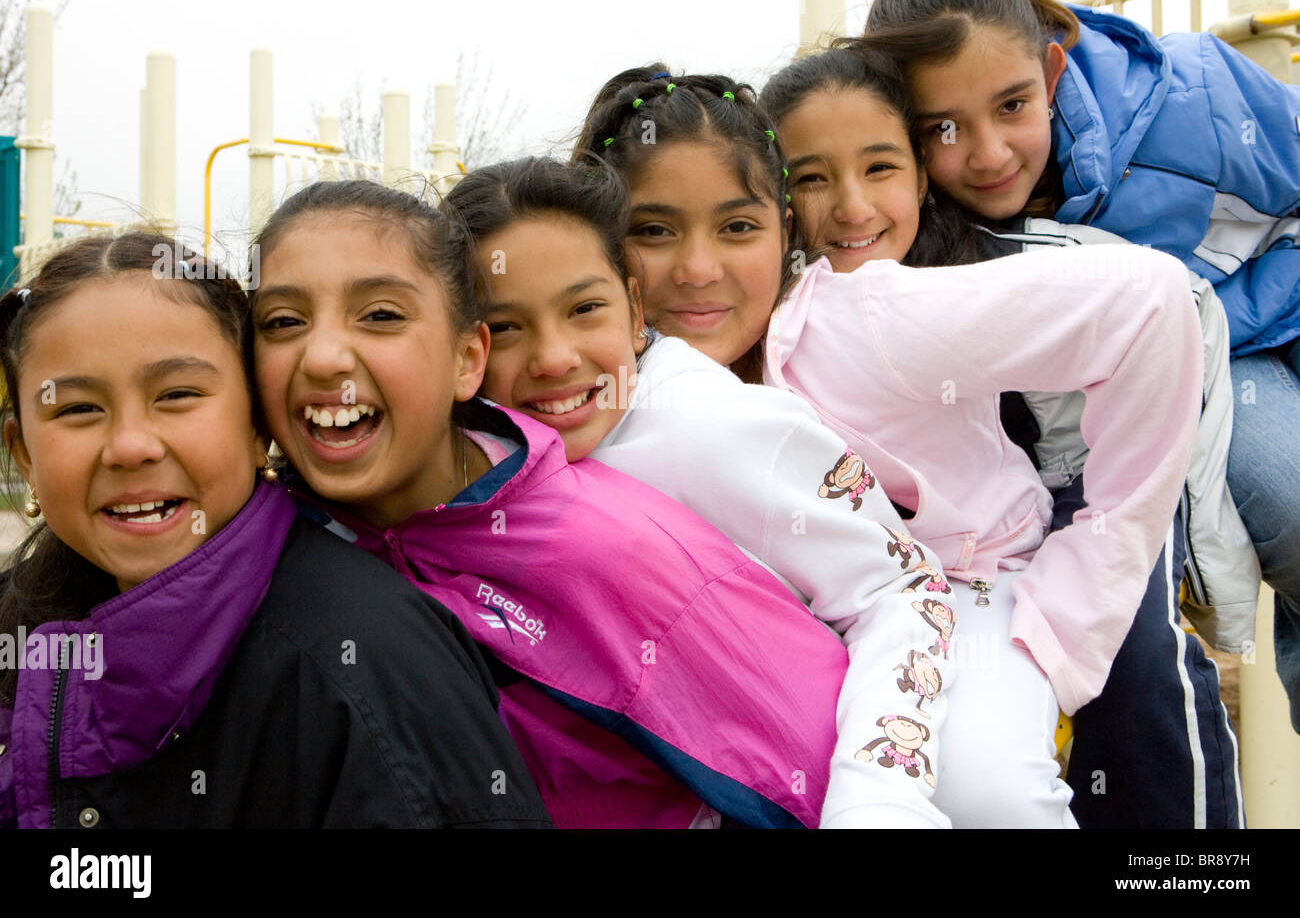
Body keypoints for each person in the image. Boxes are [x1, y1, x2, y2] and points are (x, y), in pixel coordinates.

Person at [577, 65, 1202, 827]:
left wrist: (1076, 604)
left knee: (985, 794)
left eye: (737, 227)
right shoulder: (603, 393)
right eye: (653, 230)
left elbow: (1151, 303)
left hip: (962, 587)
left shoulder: (858, 321)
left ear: (785, 230)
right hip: (805, 630)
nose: (698, 269)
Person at [250, 178, 849, 829]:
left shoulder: (612, 547)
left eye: (381, 315)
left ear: (466, 357)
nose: (325, 356)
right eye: (284, 322)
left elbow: (805, 756)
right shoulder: (265, 549)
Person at [760, 43, 1246, 827]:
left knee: (1092, 722)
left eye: (879, 168)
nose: (850, 207)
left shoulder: (886, 304)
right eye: (812, 179)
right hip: (877, 597)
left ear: (922, 175)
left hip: (998, 572)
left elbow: (1157, 302)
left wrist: (1075, 603)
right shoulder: (786, 315)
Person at [451, 155, 961, 827]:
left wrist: (877, 796)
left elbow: (904, 589)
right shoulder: (478, 465)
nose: (553, 358)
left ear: (635, 310)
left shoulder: (714, 428)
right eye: (508, 328)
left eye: (585, 309)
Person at [865, 0, 1299, 735]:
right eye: (945, 128)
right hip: (1218, 366)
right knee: (1288, 495)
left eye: (1013, 105)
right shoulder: (924, 227)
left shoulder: (1194, 98)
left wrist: (1228, 314)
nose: (992, 153)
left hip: (1267, 307)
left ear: (1051, 66)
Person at [0, 232, 550, 828]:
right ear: (22, 452)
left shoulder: (369, 666)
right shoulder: (20, 622)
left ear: (257, 422)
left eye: (178, 395)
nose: (130, 447)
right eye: (78, 409)